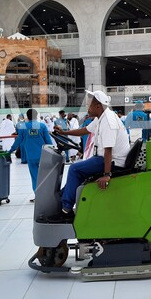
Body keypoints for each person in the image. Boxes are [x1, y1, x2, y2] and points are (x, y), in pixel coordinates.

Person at [47, 90, 130, 223]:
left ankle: (66, 210)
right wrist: (64, 132)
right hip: (104, 158)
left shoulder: (108, 121)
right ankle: (63, 199)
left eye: (89, 105)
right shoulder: (101, 118)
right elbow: (84, 131)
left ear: (98, 106)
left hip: (112, 162)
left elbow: (108, 150)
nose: (87, 107)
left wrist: (107, 175)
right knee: (77, 171)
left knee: (75, 169)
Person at [9, 109, 53, 199]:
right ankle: (47, 195)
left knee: (35, 176)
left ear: (27, 117)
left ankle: (38, 196)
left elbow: (18, 141)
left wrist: (10, 150)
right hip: (43, 155)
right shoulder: (42, 126)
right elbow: (48, 142)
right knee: (45, 175)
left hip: (31, 156)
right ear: (36, 116)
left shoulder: (24, 127)